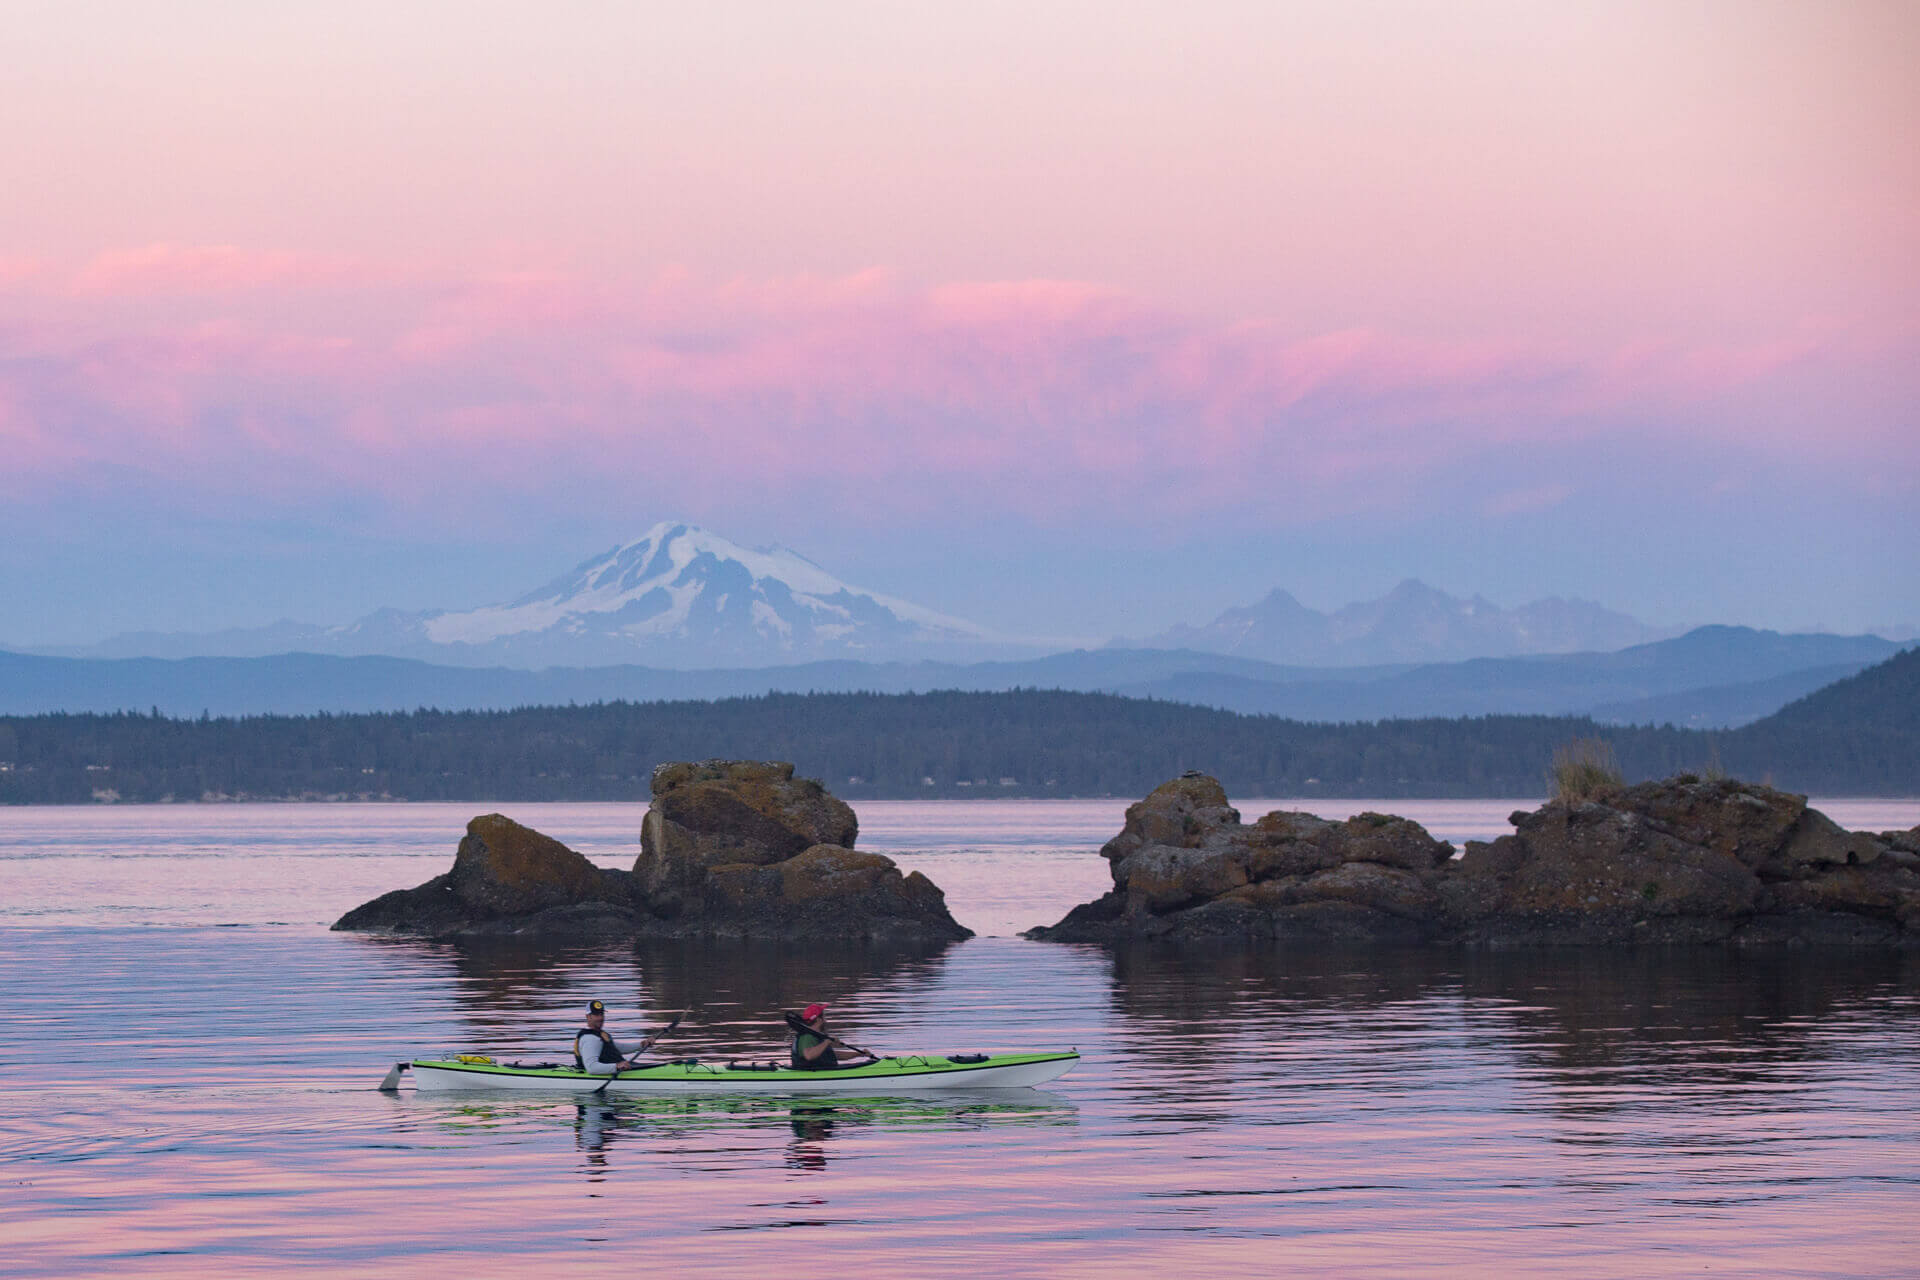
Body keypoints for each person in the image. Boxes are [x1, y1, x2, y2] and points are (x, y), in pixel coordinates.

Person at [790, 1002, 873, 1071]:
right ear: (819, 1020)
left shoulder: (816, 1036)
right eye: (824, 1017)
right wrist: (827, 1042)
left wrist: (859, 1054)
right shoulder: (807, 1037)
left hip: (822, 1071)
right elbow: (809, 1056)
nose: (826, 1020)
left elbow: (833, 1056)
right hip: (813, 1075)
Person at [574, 1000, 643, 1076]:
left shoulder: (601, 1035)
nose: (600, 1018)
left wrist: (642, 1044)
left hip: (620, 1069)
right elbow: (592, 1068)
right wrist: (616, 1066)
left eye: (602, 1014)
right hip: (608, 1073)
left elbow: (620, 1048)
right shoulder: (590, 1039)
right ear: (588, 1017)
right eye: (596, 1015)